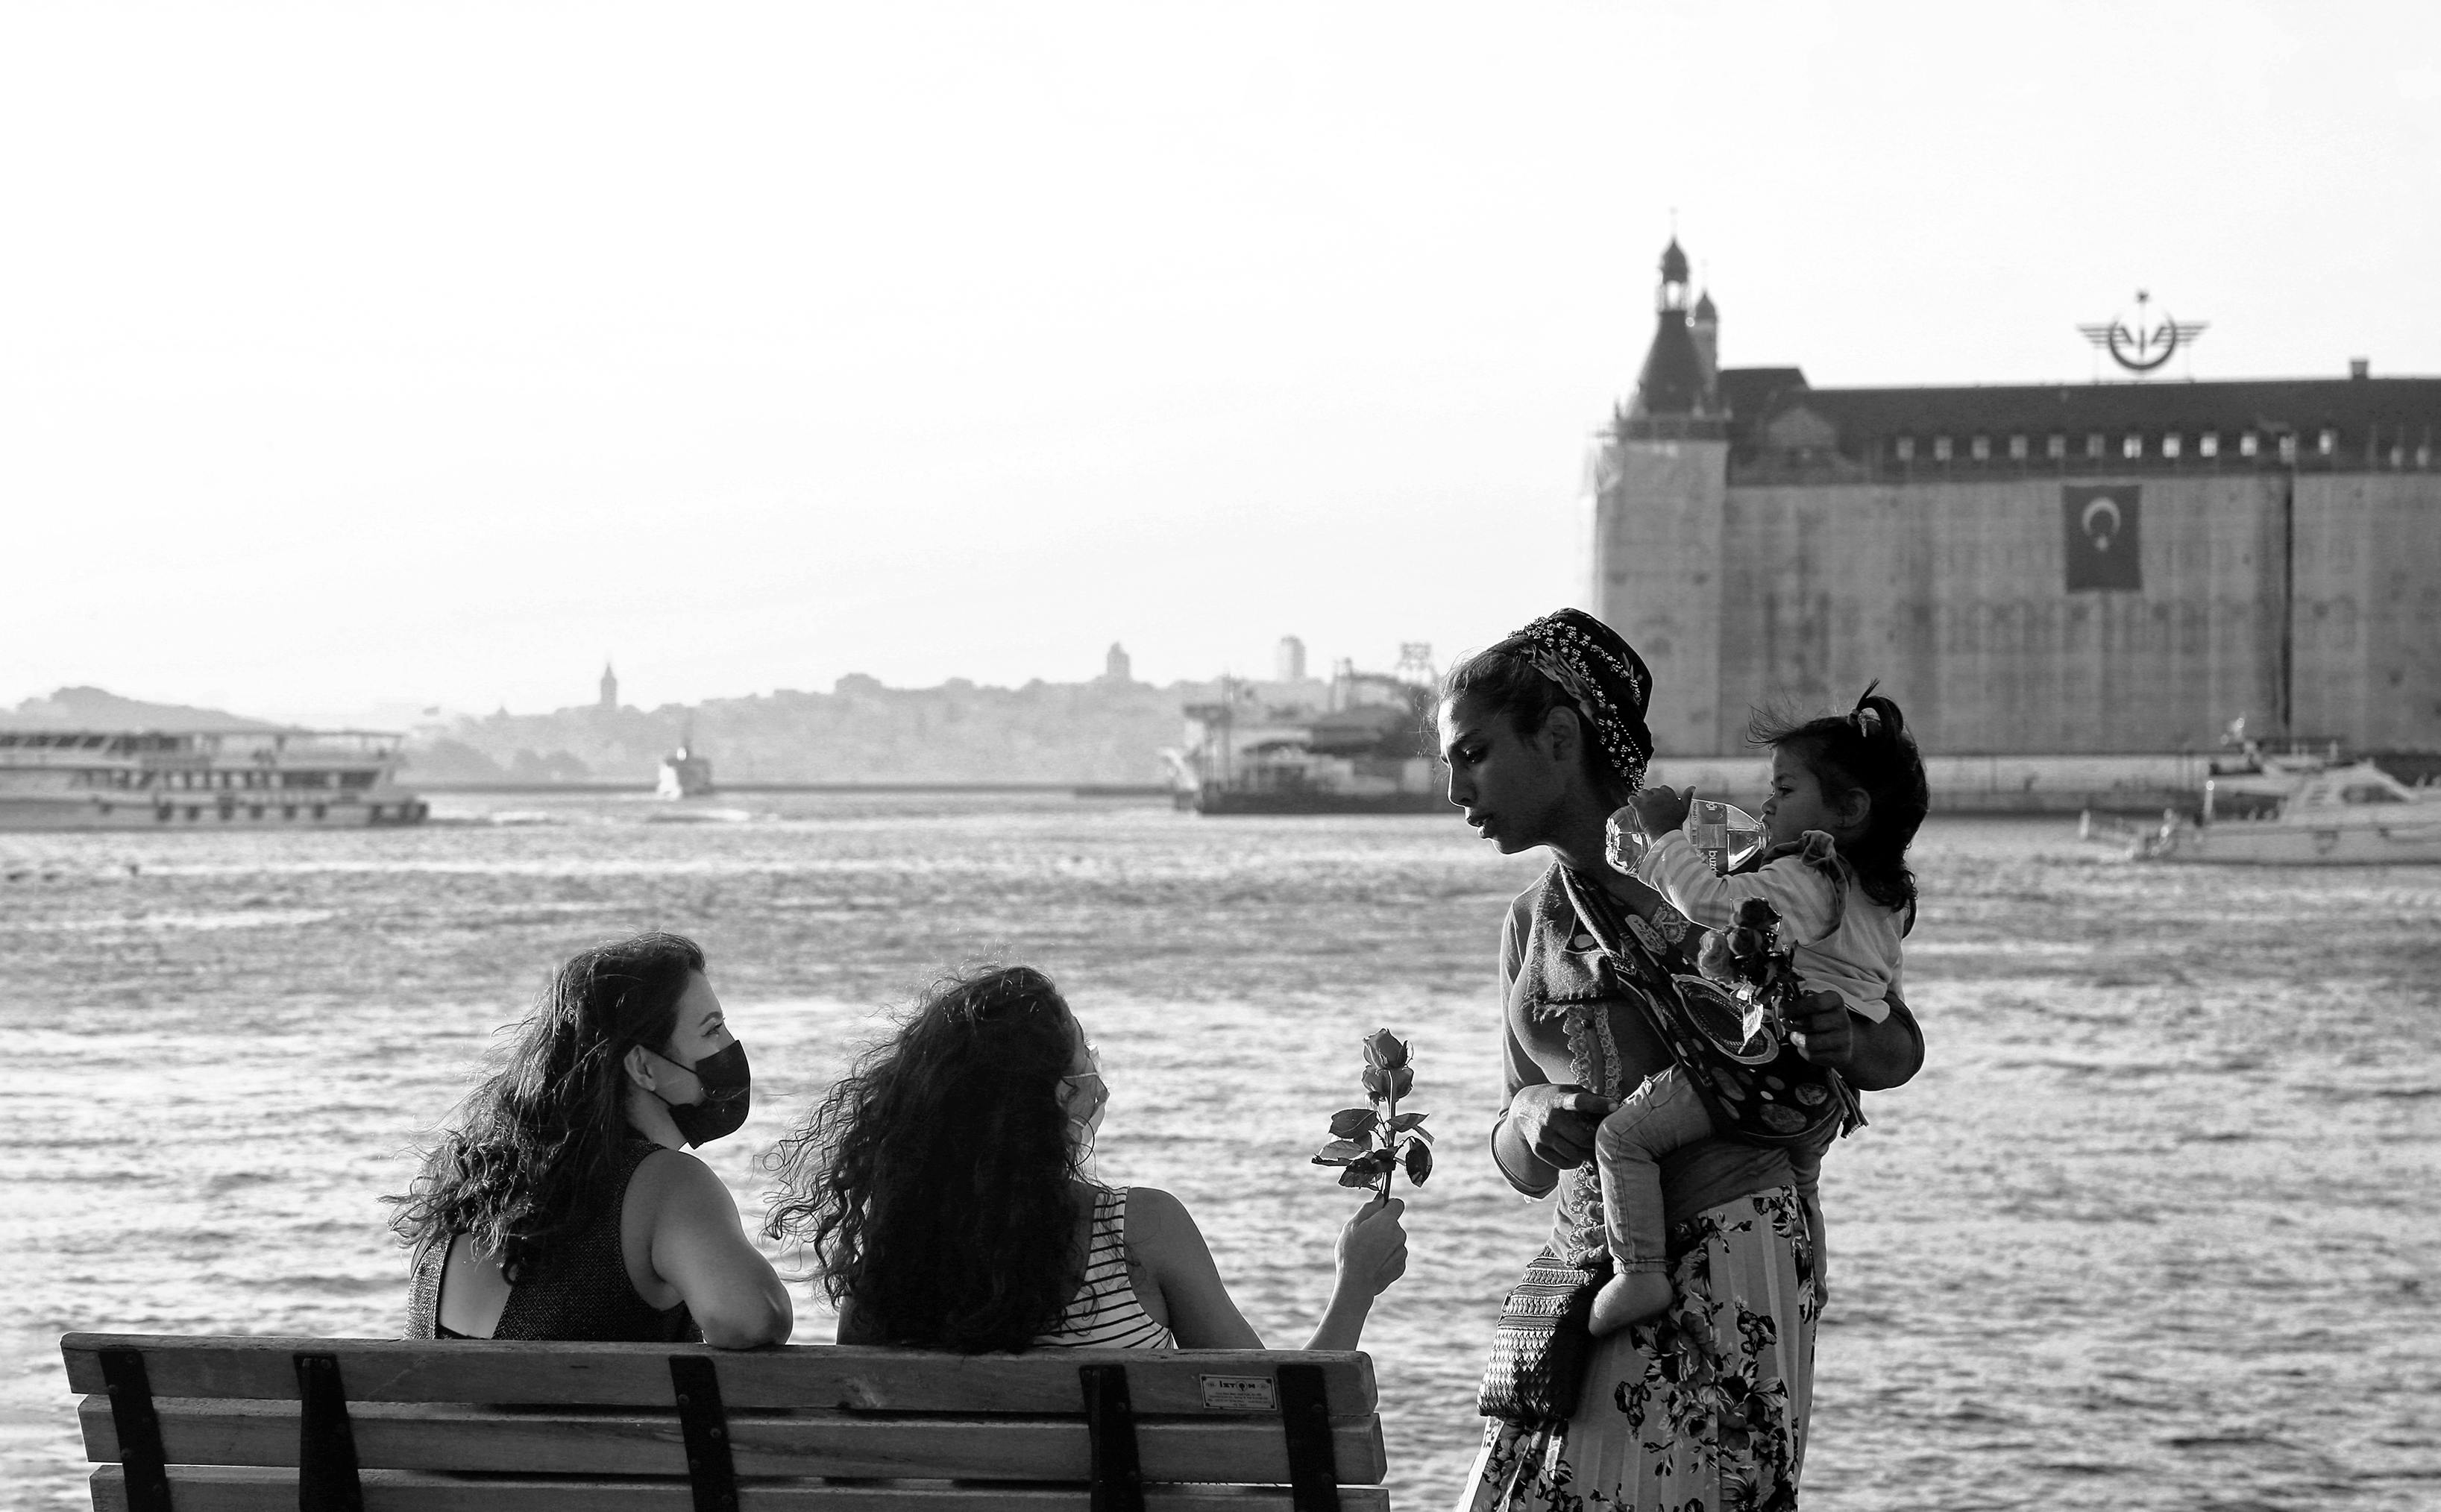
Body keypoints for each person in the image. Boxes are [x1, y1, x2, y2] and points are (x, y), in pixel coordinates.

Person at [1441, 608, 1923, 1511]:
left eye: (1474, 753)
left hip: (1729, 1258)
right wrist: (1531, 1118)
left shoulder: (1733, 859)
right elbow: (1520, 1162)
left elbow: (1893, 1040)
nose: (1455, 788)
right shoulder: (1531, 922)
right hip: (1586, 1281)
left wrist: (1844, 1039)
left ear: (1558, 739)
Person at [761, 963, 1408, 1353]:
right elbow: (1279, 1426)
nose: (1096, 1068)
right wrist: (1355, 1282)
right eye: (1083, 1052)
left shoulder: (890, 1268)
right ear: (1058, 1096)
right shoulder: (1141, 1230)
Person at [1588, 685, 1930, 1334]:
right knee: (1803, 1185)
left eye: (1785, 788)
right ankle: (1813, 1284)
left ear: (1849, 809)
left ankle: (1638, 1271)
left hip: (1763, 1065)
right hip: (1826, 1093)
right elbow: (1886, 996)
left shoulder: (1806, 876)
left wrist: (1662, 835)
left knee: (1621, 1138)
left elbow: (1706, 901)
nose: (1768, 802)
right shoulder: (1886, 898)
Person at [389, 932, 792, 1347]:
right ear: (644, 1067)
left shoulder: (467, 1183)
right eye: (713, 1030)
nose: (730, 1045)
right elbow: (756, 1319)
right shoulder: (667, 1184)